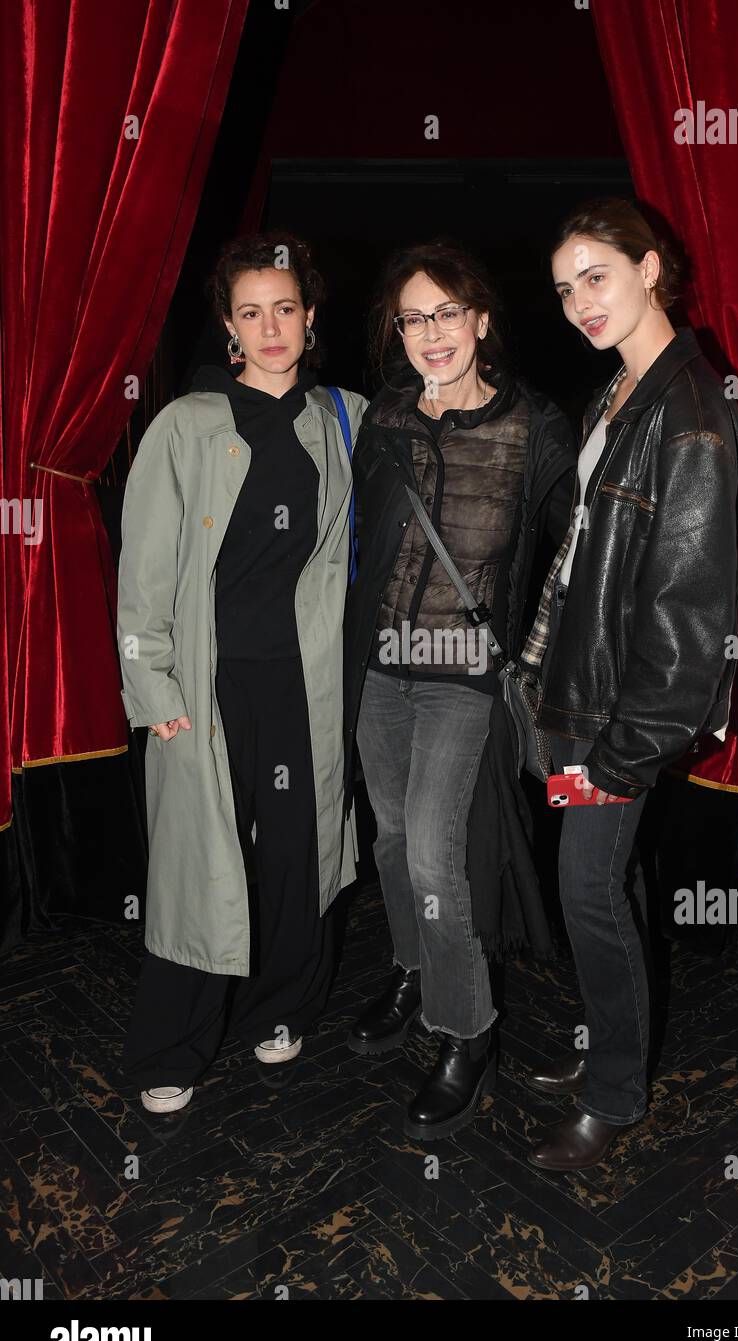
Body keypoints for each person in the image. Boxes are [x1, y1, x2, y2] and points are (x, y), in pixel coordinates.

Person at [519, 198, 738, 1170]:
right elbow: (585, 560)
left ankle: (613, 1092)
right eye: (564, 288)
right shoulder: (618, 395)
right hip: (583, 695)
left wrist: (620, 756)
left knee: (588, 891)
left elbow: (686, 618)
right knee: (596, 890)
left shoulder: (692, 418)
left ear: (649, 266)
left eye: (596, 276)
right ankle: (602, 1055)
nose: (580, 301)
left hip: (621, 715)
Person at [118, 231, 366, 1114]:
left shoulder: (343, 419)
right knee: (198, 869)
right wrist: (154, 693)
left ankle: (282, 1006)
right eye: (251, 312)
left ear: (309, 319)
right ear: (228, 326)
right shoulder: (185, 426)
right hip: (207, 688)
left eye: (286, 309)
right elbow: (142, 576)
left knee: (299, 854)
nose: (270, 328)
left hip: (306, 684)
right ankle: (172, 1047)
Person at [343, 239, 576, 1141]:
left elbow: (568, 562)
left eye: (448, 313)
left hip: (462, 678)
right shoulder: (389, 420)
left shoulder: (537, 429)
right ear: (395, 332)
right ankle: (411, 966)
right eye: (413, 317)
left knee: (439, 858)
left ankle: (467, 1028)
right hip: (381, 669)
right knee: (392, 838)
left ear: (481, 321)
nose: (431, 333)